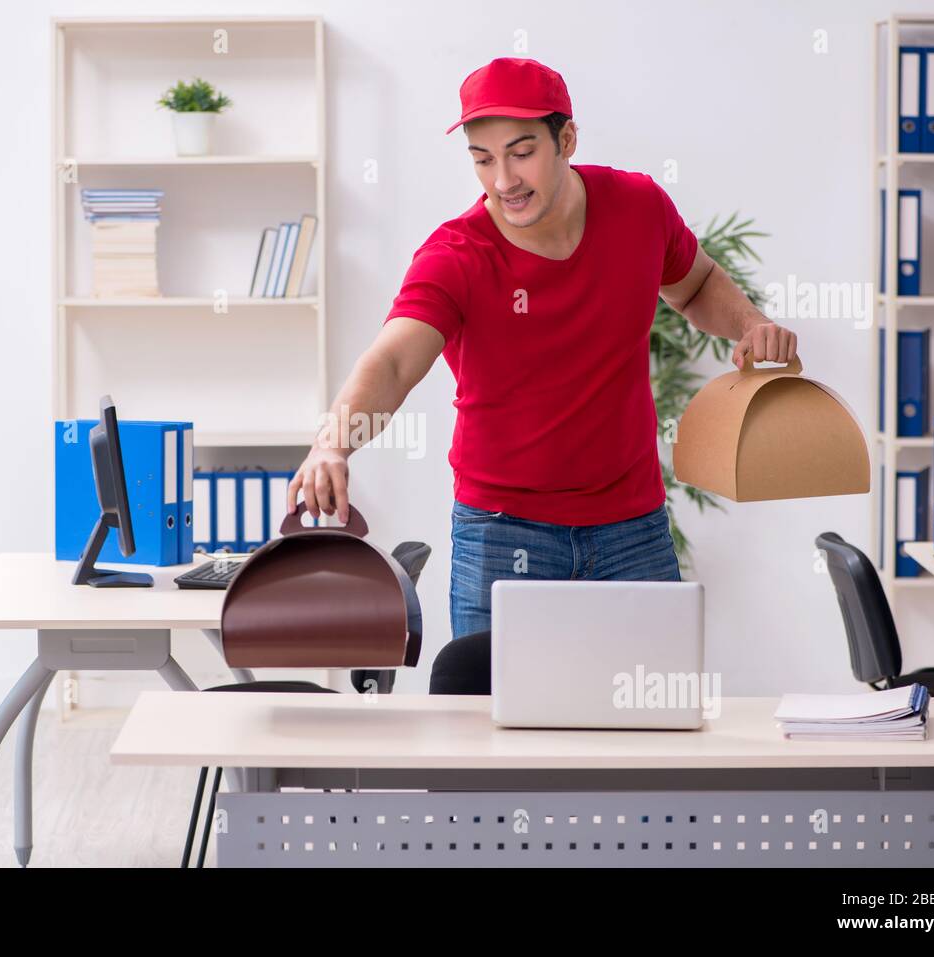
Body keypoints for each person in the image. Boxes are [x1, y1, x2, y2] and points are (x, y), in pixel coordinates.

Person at [287, 57, 798, 639]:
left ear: (567, 139)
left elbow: (697, 283)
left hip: (633, 527)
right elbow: (394, 360)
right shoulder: (456, 256)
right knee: (493, 720)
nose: (504, 180)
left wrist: (751, 324)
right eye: (483, 160)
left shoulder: (638, 207)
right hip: (502, 534)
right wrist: (333, 444)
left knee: (651, 712)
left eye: (522, 152)